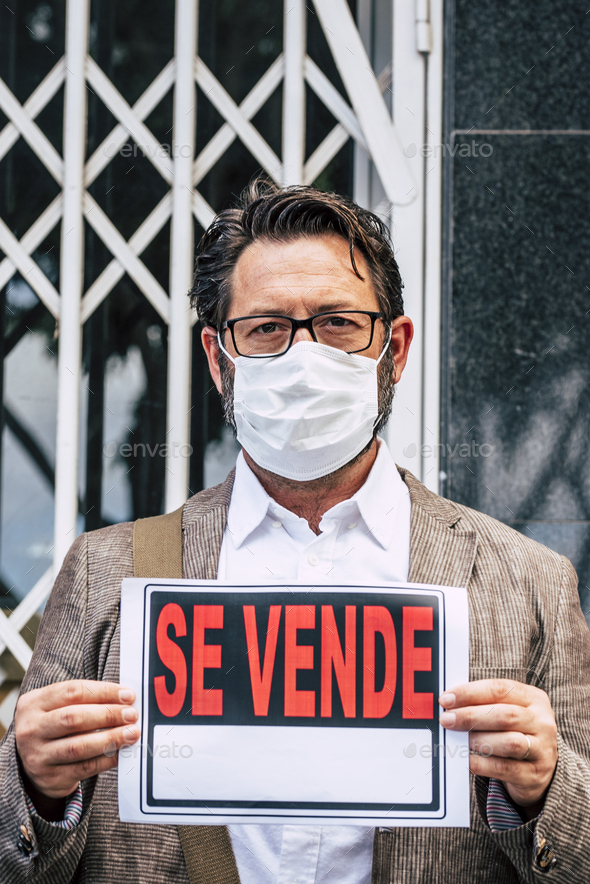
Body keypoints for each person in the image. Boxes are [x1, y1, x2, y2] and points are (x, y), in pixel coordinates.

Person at [1, 181, 589, 883]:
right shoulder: (106, 573)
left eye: (339, 322)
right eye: (267, 327)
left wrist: (544, 788)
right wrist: (34, 784)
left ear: (394, 350)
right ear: (220, 360)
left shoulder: (530, 582)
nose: (304, 357)